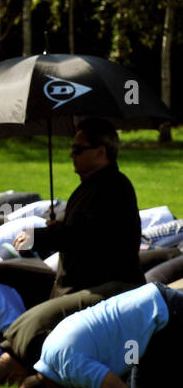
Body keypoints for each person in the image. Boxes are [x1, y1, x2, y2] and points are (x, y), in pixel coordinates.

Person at [12, 116, 142, 297]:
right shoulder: (98, 184)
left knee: (35, 323)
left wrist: (36, 237)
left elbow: (82, 237)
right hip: (86, 287)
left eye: (78, 149)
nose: (71, 155)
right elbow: (88, 231)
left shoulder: (109, 188)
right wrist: (58, 227)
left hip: (100, 292)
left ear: (100, 152)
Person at [16, 283, 183, 388]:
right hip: (152, 305)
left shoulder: (71, 366)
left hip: (164, 313)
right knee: (140, 386)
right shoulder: (50, 350)